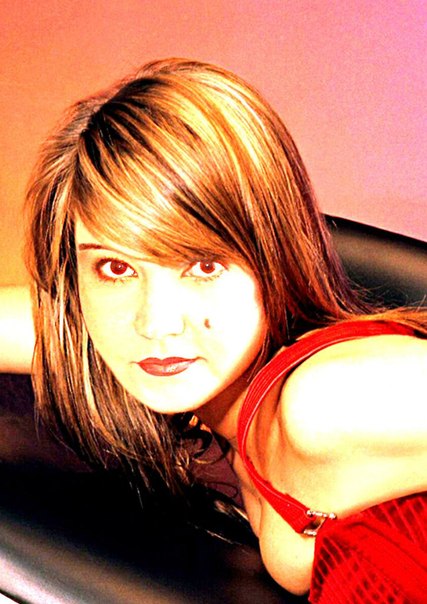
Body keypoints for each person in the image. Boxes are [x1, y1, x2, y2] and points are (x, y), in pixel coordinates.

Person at [2, 58, 427, 601]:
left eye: (203, 265)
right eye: (116, 267)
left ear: (274, 254)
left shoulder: (327, 402)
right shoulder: (135, 347)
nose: (155, 323)